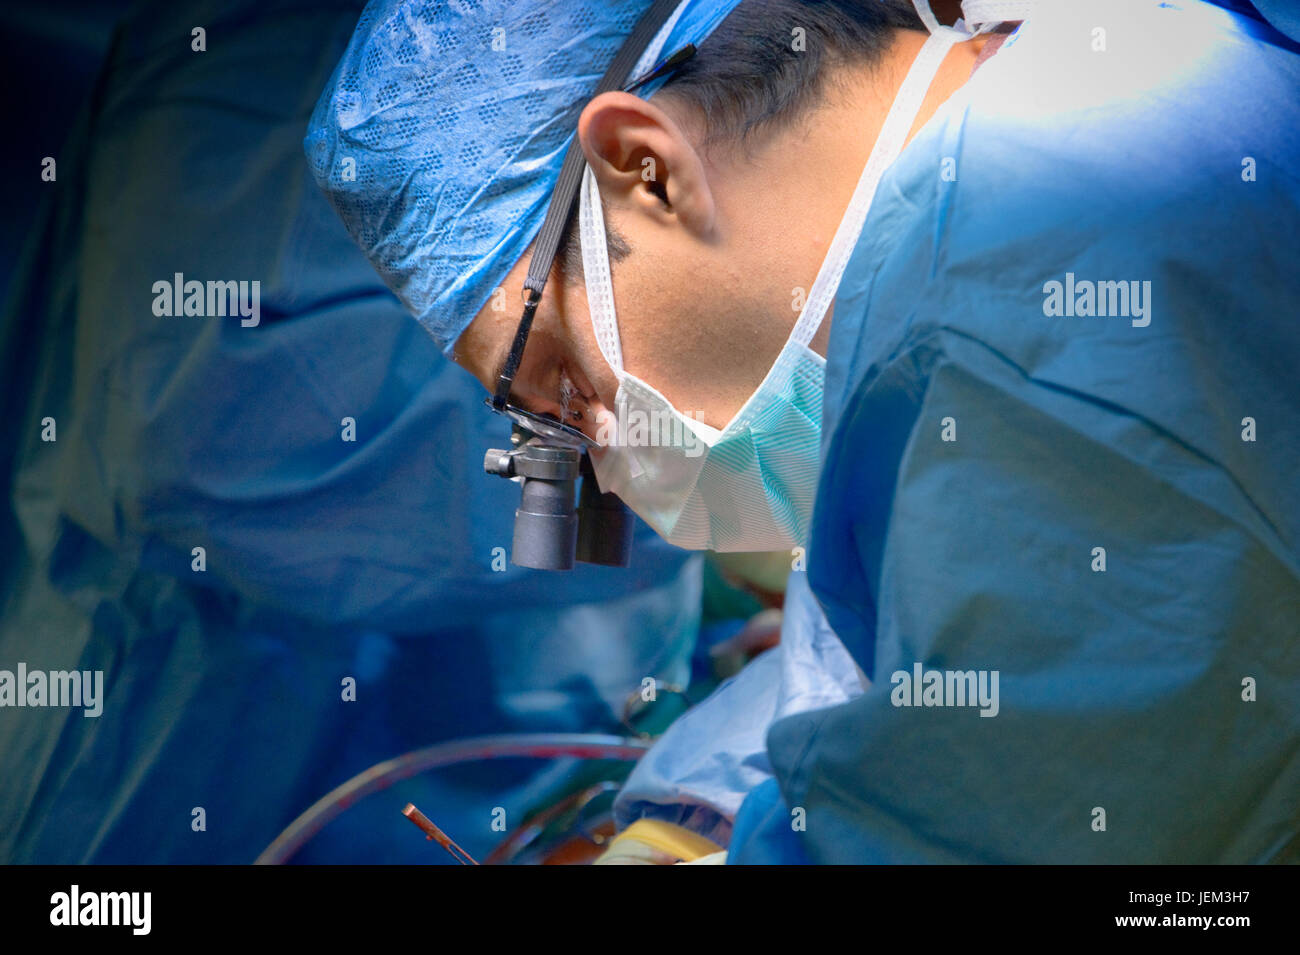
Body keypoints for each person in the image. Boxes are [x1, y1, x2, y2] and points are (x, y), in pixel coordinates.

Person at [309, 0, 1300, 863]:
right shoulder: (1117, 73)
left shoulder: (1009, 315)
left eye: (558, 385)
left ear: (644, 169)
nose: (598, 457)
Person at [0, 0, 705, 864]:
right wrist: (690, 476)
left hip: (540, 751)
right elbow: (202, 447)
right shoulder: (305, 46)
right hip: (195, 747)